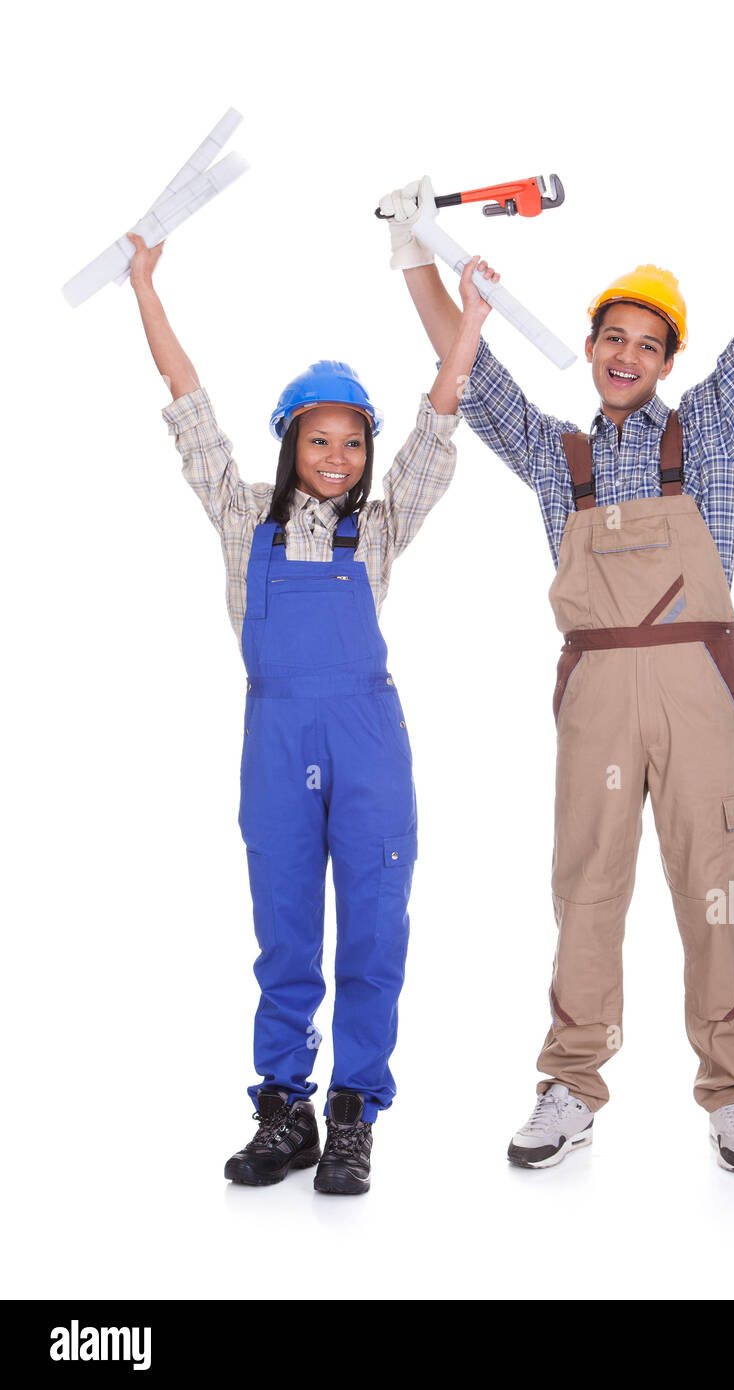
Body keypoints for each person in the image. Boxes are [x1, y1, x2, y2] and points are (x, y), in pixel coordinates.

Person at [382, 106, 734, 1173]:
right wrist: (414, 253)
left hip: (696, 694)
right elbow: (472, 380)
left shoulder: (710, 430)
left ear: (667, 357)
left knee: (713, 880)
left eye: (647, 342)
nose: (627, 354)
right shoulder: (557, 459)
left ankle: (729, 1089)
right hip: (595, 697)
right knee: (584, 886)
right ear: (587, 349)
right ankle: (568, 1084)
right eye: (612, 338)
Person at [127, 232, 497, 1195]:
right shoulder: (236, 510)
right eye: (318, 439)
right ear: (288, 441)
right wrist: (143, 285)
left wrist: (468, 329)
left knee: (373, 930)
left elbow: (438, 429)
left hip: (368, 743)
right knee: (286, 929)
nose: (338, 457)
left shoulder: (377, 527)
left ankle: (351, 1116)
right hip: (275, 736)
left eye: (353, 442)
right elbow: (188, 407)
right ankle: (282, 1112)